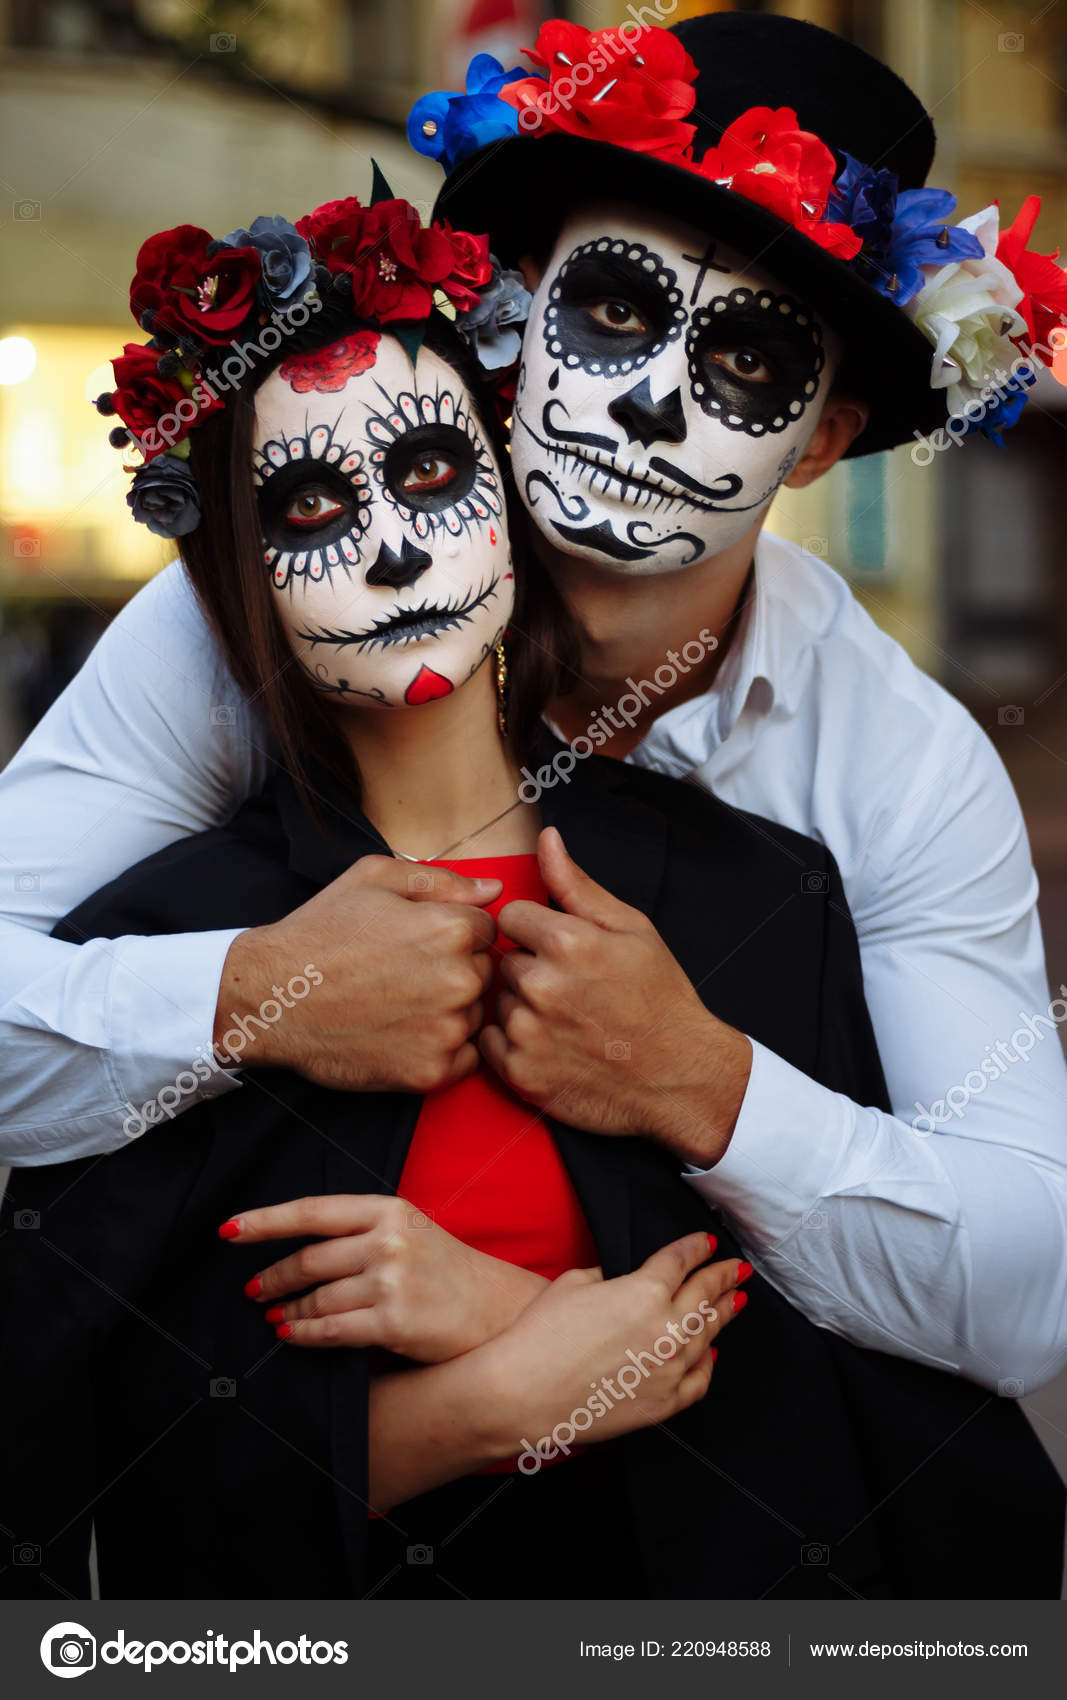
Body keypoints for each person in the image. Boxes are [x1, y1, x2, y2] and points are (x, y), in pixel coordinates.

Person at [1, 187, 1060, 1603]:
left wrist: (700, 1089)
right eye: (613, 314)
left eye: (745, 361)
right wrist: (257, 999)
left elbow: (975, 1357)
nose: (649, 413)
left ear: (823, 440)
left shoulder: (809, 852)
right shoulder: (181, 873)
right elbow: (98, 1465)